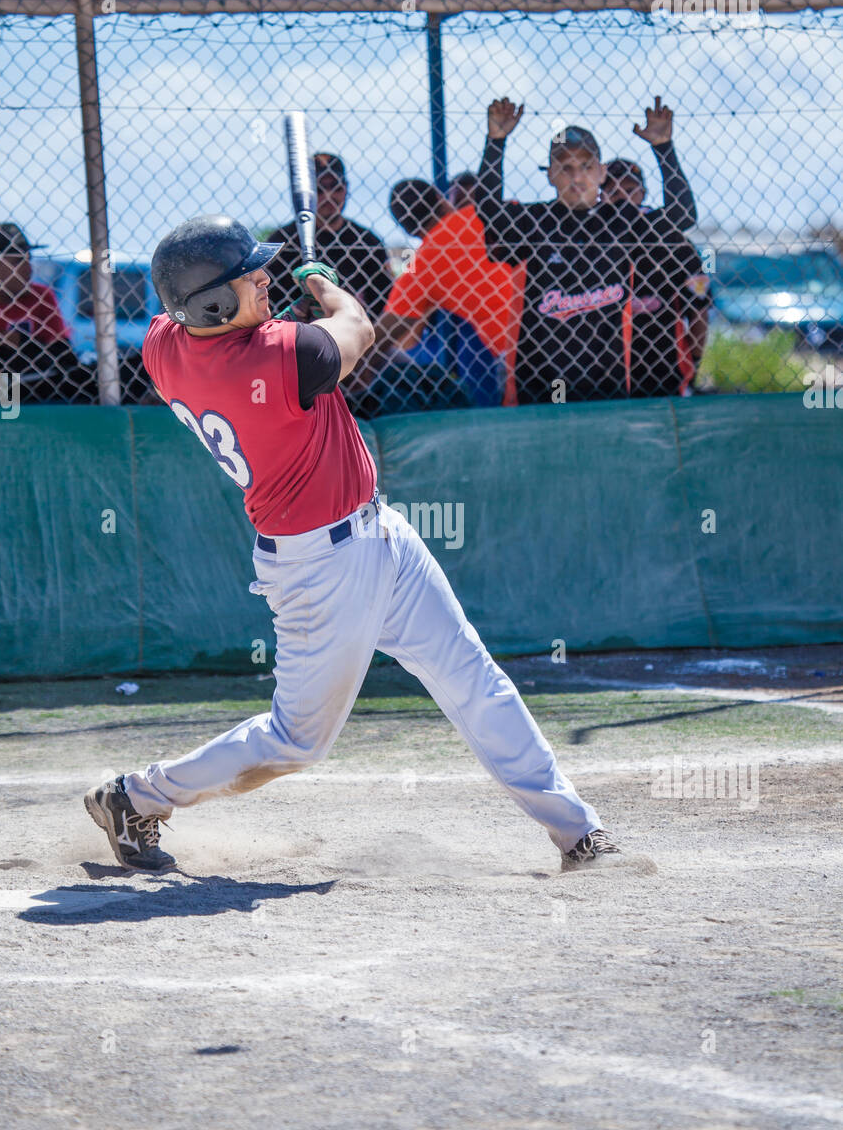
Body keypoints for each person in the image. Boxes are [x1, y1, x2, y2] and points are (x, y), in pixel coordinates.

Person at [83, 213, 623, 875]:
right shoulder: (282, 354)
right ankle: (135, 796)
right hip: (321, 565)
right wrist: (329, 287)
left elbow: (217, 326)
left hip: (376, 534)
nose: (266, 276)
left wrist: (275, 300)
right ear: (213, 303)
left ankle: (578, 832)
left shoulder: (165, 347)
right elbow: (359, 329)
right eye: (248, 275)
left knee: (473, 679)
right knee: (297, 741)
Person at [478, 100, 706, 403]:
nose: (576, 177)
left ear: (601, 173)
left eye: (586, 166)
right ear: (550, 175)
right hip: (542, 383)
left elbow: (683, 215)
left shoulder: (622, 220)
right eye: (566, 168)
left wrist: (664, 147)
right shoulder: (534, 221)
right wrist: (496, 142)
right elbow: (488, 211)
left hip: (607, 383)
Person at [373, 178, 524, 407]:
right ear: (440, 199)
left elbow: (386, 333)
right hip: (549, 324)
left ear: (406, 227)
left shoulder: (420, 266)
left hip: (511, 350)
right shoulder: (485, 215)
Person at [264, 152, 393, 318]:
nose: (329, 196)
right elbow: (269, 301)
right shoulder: (282, 241)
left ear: (346, 188)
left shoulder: (367, 241)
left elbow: (384, 301)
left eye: (336, 187)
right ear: (307, 193)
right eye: (319, 189)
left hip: (351, 334)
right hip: (294, 336)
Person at [0, 222, 95, 402]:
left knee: (83, 379)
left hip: (28, 386)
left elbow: (64, 355)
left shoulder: (40, 296)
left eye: (28, 259)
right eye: (18, 260)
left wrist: (20, 341)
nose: (28, 267)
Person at [600, 97, 697, 231]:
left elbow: (683, 216)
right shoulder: (593, 225)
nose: (623, 198)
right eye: (613, 192)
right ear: (601, 197)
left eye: (630, 191)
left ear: (643, 192)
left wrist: (663, 147)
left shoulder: (648, 224)